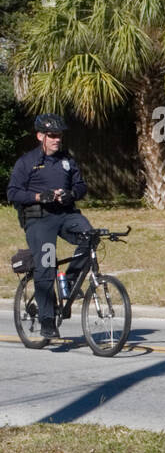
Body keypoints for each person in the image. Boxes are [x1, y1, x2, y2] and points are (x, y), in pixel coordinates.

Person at [7, 114, 93, 339]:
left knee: (90, 236)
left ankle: (72, 279)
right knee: (46, 263)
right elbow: (13, 192)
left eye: (59, 136)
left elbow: (81, 186)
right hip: (39, 219)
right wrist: (38, 196)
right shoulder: (27, 162)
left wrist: (71, 194)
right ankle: (47, 321)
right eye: (52, 136)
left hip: (65, 214)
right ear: (40, 136)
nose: (57, 140)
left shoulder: (67, 160)